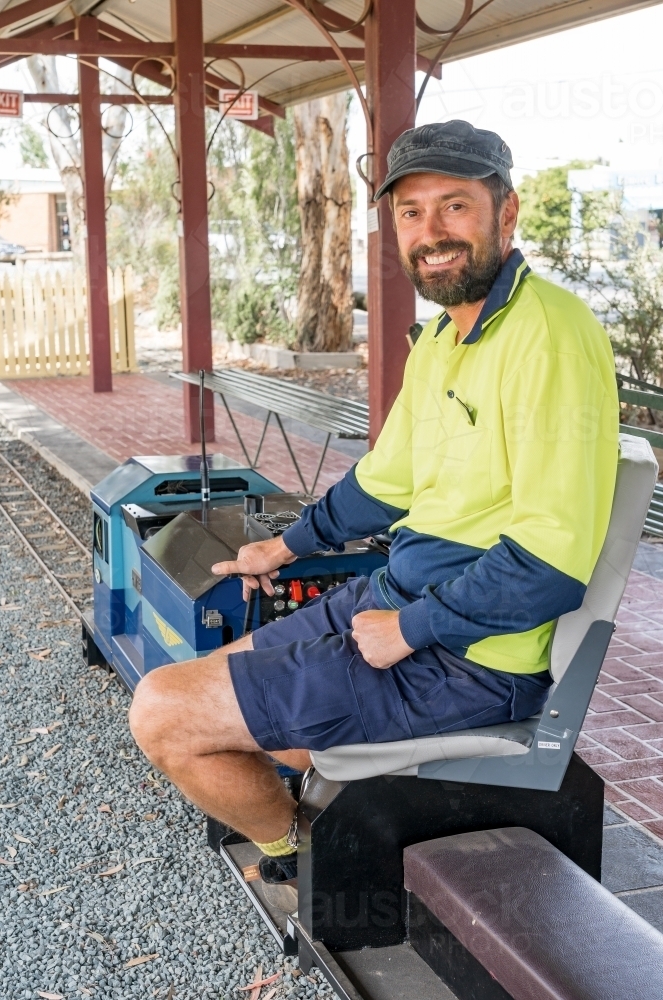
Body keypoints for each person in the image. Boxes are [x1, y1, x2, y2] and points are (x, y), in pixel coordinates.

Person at [129, 120, 619, 885]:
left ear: (507, 213)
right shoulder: (442, 340)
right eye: (410, 211)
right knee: (211, 676)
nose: (431, 232)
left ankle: (305, 857)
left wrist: (410, 630)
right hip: (395, 598)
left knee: (161, 711)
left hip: (467, 656)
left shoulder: (547, 334)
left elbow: (550, 566)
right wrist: (283, 548)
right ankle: (320, 826)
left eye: (455, 206)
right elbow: (384, 483)